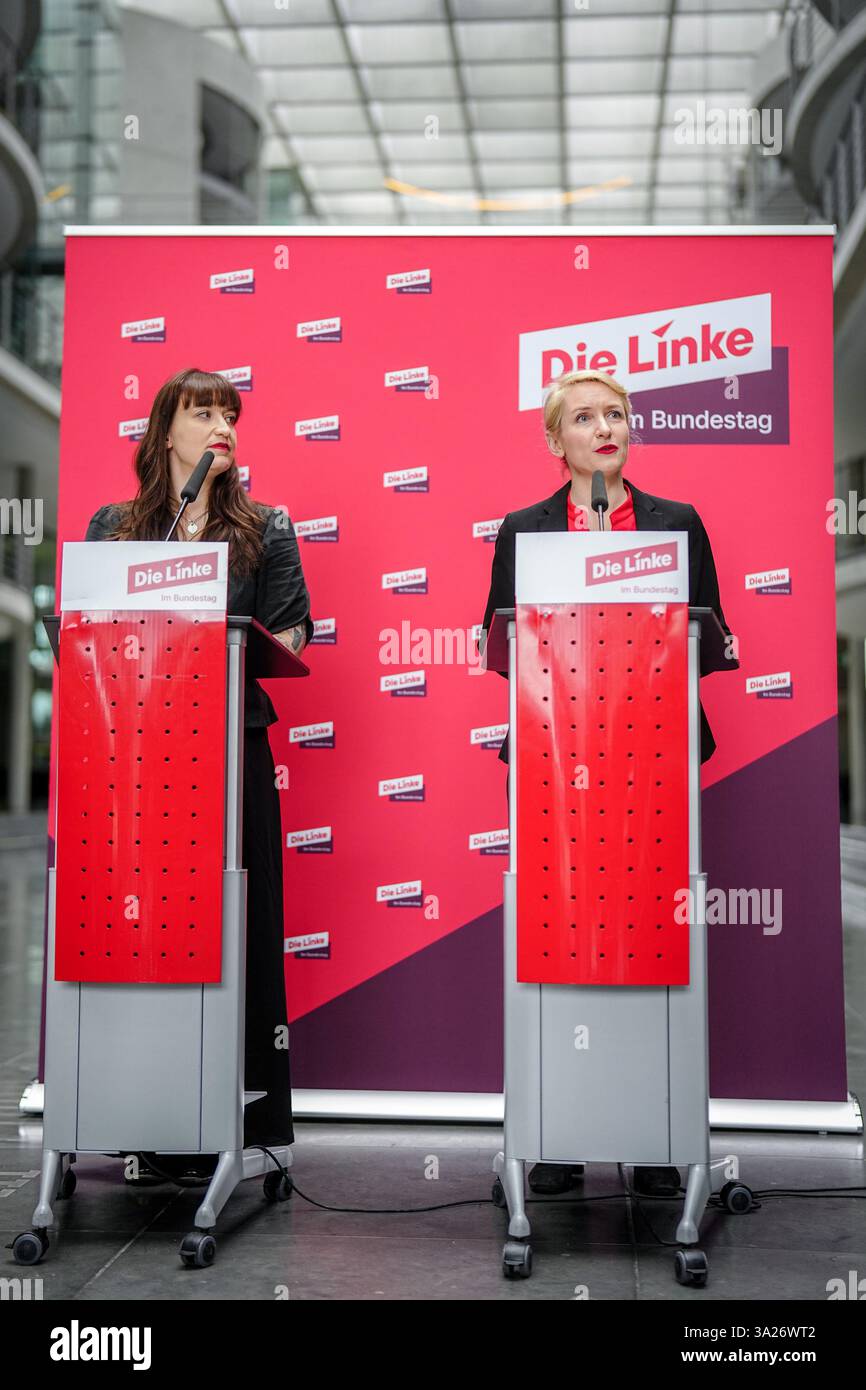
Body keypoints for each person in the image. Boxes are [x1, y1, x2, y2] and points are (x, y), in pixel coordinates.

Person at [481, 368, 739, 1198]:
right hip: (556, 767)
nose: (605, 428)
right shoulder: (522, 531)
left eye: (616, 415)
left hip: (653, 769)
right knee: (560, 943)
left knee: (649, 943)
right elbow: (499, 637)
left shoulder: (678, 523)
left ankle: (657, 1133)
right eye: (585, 418)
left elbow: (716, 635)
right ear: (556, 441)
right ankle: (555, 1134)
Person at [84, 367, 313, 1181]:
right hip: (135, 757)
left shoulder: (267, 526)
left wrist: (251, 638)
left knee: (235, 922)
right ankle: (145, 1112)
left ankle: (233, 1115)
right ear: (165, 433)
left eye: (231, 412)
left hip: (229, 745)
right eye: (203, 411)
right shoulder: (116, 526)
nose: (221, 423)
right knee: (142, 927)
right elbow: (93, 627)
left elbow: (296, 632)